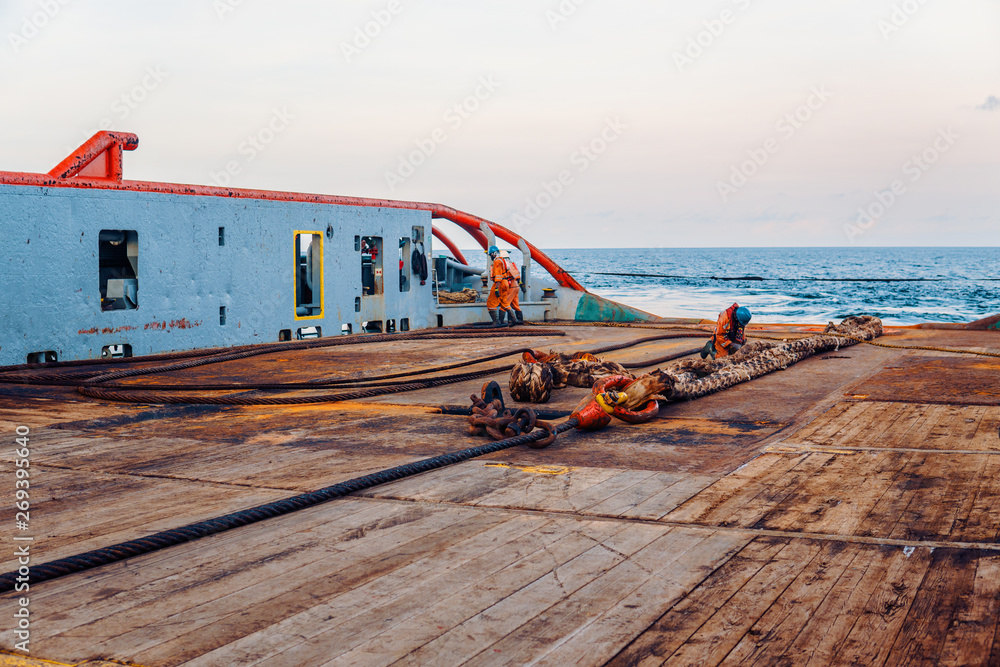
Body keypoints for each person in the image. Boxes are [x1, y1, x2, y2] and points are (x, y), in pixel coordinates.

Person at [485, 246, 520, 327]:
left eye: (491, 254)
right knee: (504, 302)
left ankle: (496, 322)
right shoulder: (503, 260)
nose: (490, 256)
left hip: (500, 284)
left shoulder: (497, 262)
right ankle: (514, 320)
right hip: (505, 283)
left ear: (494, 254)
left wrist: (496, 288)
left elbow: (498, 276)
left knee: (491, 303)